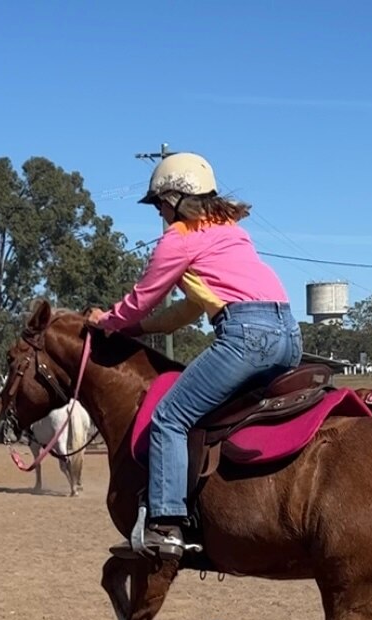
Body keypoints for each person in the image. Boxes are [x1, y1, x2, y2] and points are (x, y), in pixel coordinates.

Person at [85, 152, 299, 561]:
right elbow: (184, 312)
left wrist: (109, 321)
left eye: (162, 203)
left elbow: (143, 297)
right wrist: (133, 329)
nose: (162, 213)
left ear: (178, 199)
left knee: (169, 417)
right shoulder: (229, 231)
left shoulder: (178, 240)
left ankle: (166, 525)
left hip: (246, 334)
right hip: (288, 334)